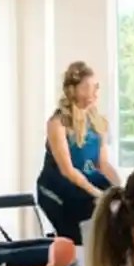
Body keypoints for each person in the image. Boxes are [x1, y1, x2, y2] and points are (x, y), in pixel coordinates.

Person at [36, 61, 121, 246]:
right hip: (57, 189)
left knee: (118, 211)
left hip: (84, 184)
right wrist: (97, 194)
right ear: (72, 90)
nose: (93, 93)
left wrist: (120, 188)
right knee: (74, 241)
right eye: (86, 88)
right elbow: (67, 170)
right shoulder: (57, 123)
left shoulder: (97, 123)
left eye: (95, 88)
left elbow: (103, 165)